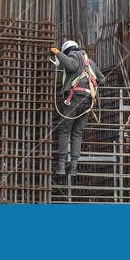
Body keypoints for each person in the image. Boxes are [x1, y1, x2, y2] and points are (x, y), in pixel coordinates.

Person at [50, 39, 100, 184]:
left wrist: (57, 53)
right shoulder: (90, 62)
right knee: (77, 133)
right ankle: (73, 166)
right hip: (88, 100)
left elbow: (71, 65)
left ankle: (60, 166)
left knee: (65, 130)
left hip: (74, 99)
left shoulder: (73, 55)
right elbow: (101, 79)